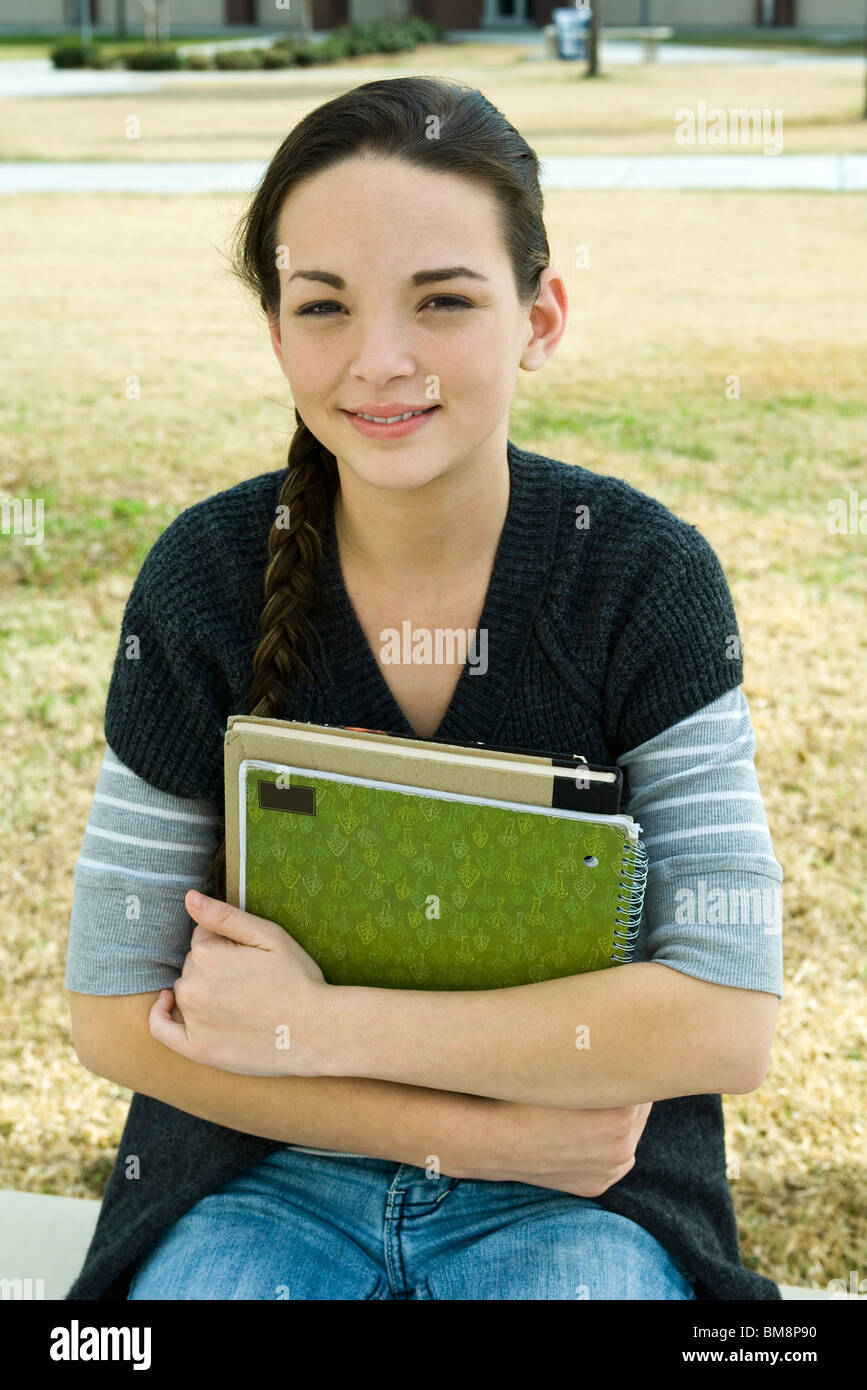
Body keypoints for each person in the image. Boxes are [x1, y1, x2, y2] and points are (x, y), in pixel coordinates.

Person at [65, 76, 783, 1301]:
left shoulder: (643, 577)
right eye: (323, 306)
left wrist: (319, 1021)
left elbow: (726, 1016)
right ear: (278, 330)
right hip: (261, 1172)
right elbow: (111, 1011)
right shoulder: (206, 577)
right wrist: (484, 1129)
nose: (377, 360)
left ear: (540, 316)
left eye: (442, 300)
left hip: (585, 1197)